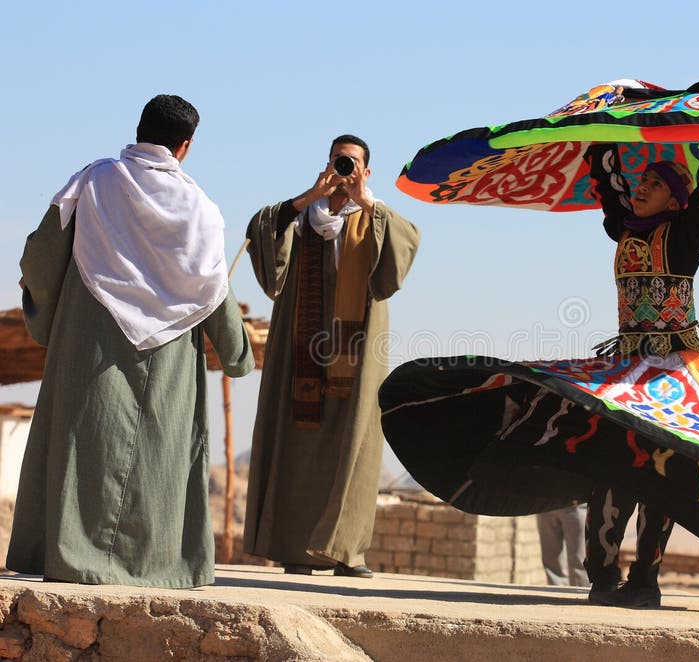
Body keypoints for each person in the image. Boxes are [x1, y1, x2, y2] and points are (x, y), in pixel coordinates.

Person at [7, 95, 254, 588]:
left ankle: (68, 558)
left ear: (139, 130)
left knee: (83, 446)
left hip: (90, 342)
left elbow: (41, 255)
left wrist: (46, 312)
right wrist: (236, 352)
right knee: (157, 458)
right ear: (185, 147)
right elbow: (213, 288)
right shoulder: (200, 208)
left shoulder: (92, 182)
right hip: (169, 358)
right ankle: (156, 568)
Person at [581, 138, 699, 608]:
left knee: (661, 473)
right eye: (641, 181)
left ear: (676, 199)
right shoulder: (623, 228)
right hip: (624, 368)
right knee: (611, 468)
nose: (641, 188)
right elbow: (609, 185)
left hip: (674, 374)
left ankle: (645, 580)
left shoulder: (682, 233)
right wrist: (604, 136)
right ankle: (602, 578)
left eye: (654, 184)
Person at [242, 134, 420, 577]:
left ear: (366, 170)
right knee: (296, 436)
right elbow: (262, 230)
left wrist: (365, 201)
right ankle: (293, 548)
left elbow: (404, 250)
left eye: (353, 163)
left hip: (356, 345)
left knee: (355, 438)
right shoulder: (304, 219)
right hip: (300, 341)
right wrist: (310, 196)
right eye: (339, 162)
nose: (345, 171)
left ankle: (345, 551)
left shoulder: (376, 218)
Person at [535, 502, 590, 587]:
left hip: (576, 504)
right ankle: (557, 596)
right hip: (546, 505)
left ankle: (580, 597)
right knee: (552, 562)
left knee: (580, 563)